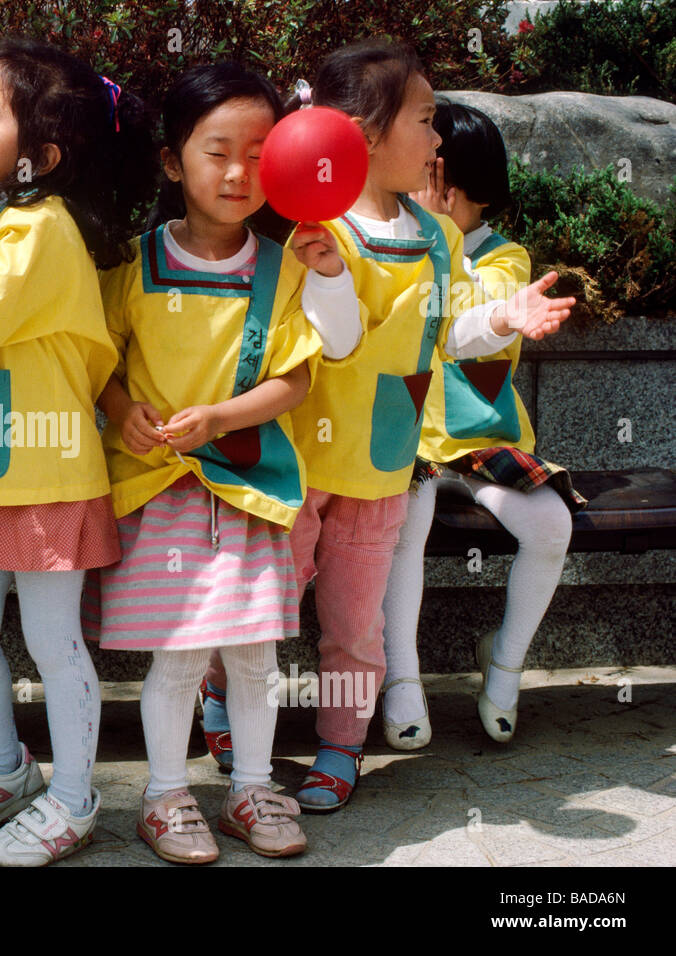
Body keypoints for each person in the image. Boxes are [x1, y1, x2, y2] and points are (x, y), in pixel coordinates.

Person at [203, 40, 573, 812]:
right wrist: (331, 276)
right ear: (364, 134)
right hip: (299, 469)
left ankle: (342, 747)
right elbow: (334, 343)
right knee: (262, 607)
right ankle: (220, 702)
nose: (440, 142)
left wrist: (502, 314)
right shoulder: (320, 233)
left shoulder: (436, 237)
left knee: (353, 625)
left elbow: (446, 333)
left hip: (384, 476)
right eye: (428, 120)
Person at [88, 63, 359, 861]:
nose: (239, 172)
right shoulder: (133, 265)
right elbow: (100, 362)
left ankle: (248, 788)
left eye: (258, 151)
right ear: (172, 161)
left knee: (253, 652)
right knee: (176, 652)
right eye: (216, 151)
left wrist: (218, 419)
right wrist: (120, 411)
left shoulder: (285, 268)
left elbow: (298, 376)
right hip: (161, 492)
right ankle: (167, 794)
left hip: (250, 491)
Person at [0, 38, 157, 866]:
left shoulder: (40, 229)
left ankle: (75, 797)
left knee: (54, 644)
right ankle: (5, 767)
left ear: (40, 157)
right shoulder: (3, 219)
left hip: (46, 474)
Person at [380, 101, 585, 749]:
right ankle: (402, 682)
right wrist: (430, 238)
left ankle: (504, 666)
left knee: (552, 523)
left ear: (449, 183)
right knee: (404, 526)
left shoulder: (505, 258)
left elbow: (475, 330)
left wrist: (444, 241)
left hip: (482, 441)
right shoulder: (395, 243)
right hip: (410, 441)